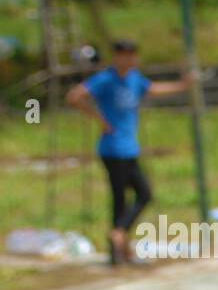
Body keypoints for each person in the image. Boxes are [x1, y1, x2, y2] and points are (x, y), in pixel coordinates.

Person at [66, 39, 191, 264]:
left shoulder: (134, 79)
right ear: (116, 57)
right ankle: (118, 243)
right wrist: (99, 119)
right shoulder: (106, 80)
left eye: (132, 55)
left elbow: (153, 88)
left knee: (143, 194)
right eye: (125, 55)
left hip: (130, 148)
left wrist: (182, 85)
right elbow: (75, 96)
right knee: (120, 198)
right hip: (112, 148)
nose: (130, 59)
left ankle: (120, 237)